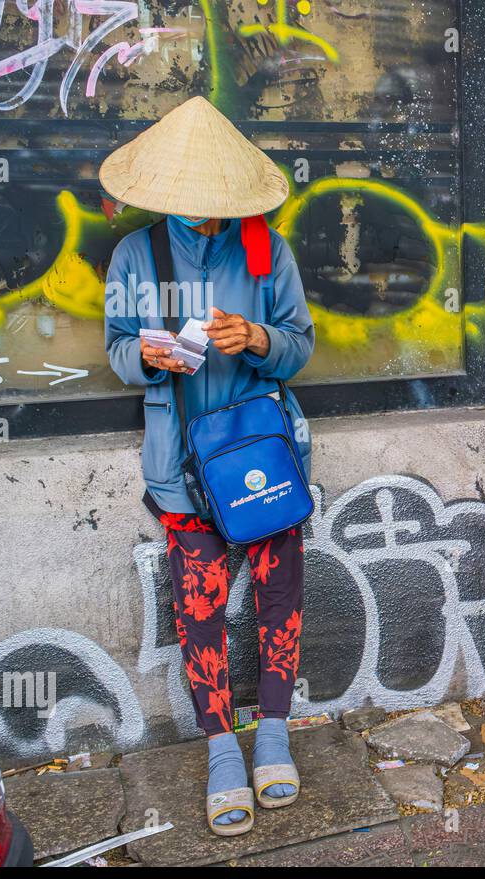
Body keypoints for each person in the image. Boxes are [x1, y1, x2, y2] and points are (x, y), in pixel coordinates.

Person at [101, 96, 315, 837]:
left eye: (214, 203)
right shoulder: (137, 255)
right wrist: (148, 355)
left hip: (259, 456)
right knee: (198, 606)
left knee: (279, 592)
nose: (204, 215)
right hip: (181, 465)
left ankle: (277, 736)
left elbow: (300, 345)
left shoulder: (267, 251)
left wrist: (256, 335)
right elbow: (118, 350)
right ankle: (223, 749)